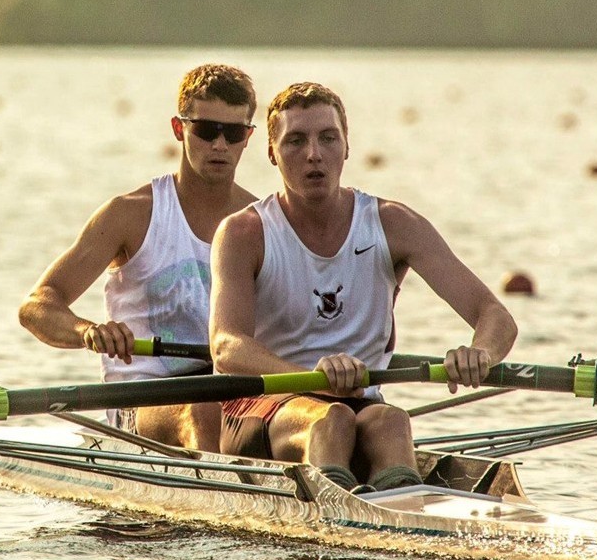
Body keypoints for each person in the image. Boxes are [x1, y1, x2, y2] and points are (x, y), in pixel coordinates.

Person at [208, 81, 518, 491]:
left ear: (347, 146)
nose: (314, 154)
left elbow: (495, 316)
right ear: (271, 153)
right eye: (295, 141)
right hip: (261, 407)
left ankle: (399, 519)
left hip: (361, 405)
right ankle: (350, 512)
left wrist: (480, 352)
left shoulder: (393, 224)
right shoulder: (244, 232)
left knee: (391, 420)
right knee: (332, 419)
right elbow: (226, 346)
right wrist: (310, 378)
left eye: (328, 138)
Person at [18, 63, 260, 450]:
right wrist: (88, 331)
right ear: (179, 129)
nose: (219, 145)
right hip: (140, 404)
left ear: (247, 137)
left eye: (232, 133)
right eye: (205, 130)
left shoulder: (261, 222)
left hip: (235, 395)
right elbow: (36, 306)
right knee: (204, 409)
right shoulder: (130, 215)